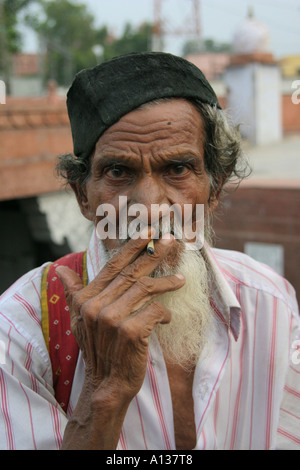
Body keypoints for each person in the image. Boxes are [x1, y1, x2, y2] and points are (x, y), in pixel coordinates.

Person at [0, 52, 299, 451]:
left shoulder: (271, 304)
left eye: (177, 169)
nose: (149, 206)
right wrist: (102, 396)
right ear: (83, 197)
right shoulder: (22, 328)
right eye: (118, 172)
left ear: (213, 189)